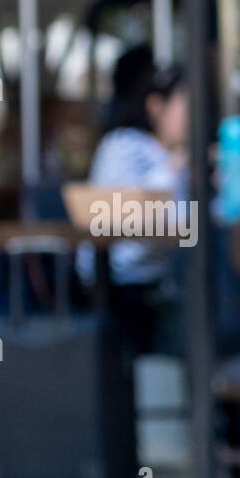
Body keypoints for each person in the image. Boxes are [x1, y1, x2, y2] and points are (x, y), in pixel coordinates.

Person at [82, 47, 187, 352]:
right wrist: (175, 169)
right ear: (156, 107)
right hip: (126, 281)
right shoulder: (124, 145)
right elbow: (131, 218)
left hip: (166, 274)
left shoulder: (176, 155)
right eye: (186, 105)